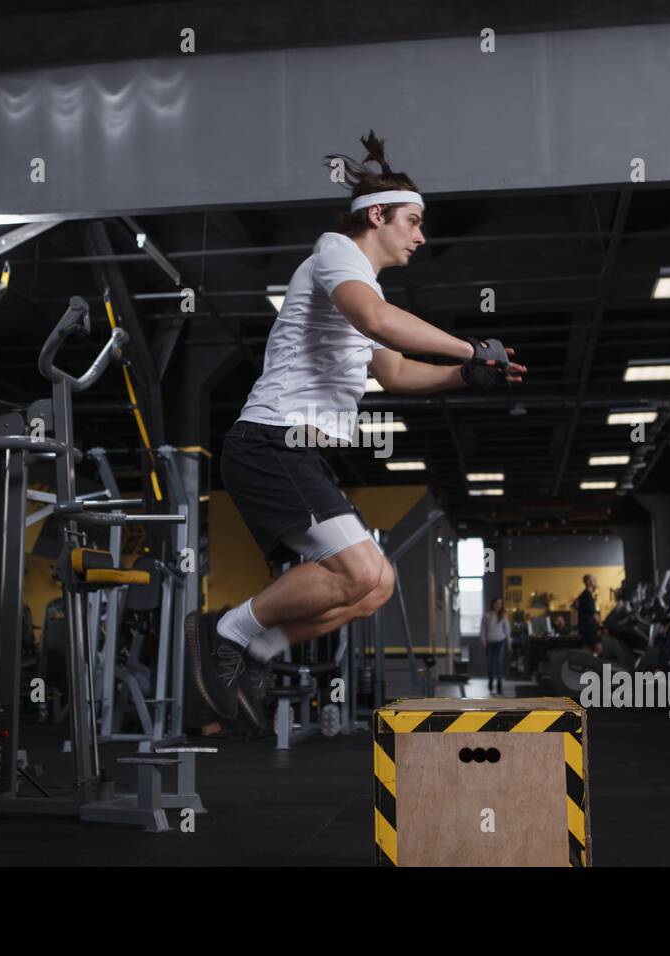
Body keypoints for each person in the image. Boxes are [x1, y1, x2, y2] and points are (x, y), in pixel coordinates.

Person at [191, 131, 526, 728]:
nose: (421, 236)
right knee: (363, 570)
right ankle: (225, 632)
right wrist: (472, 348)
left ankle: (256, 651)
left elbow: (394, 370)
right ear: (377, 216)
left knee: (377, 585)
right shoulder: (336, 255)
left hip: (298, 451)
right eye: (413, 221)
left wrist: (463, 377)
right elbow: (380, 321)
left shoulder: (357, 286)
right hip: (270, 440)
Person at [481, 597, 510, 695]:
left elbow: (507, 630)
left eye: (500, 603)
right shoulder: (487, 614)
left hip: (500, 642)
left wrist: (509, 643)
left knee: (499, 663)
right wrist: (483, 640)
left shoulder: (503, 615)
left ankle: (499, 685)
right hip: (490, 642)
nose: (498, 605)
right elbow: (483, 629)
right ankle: (490, 680)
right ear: (493, 604)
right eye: (497, 603)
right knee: (490, 664)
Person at [575, 574, 602, 655]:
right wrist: (602, 625)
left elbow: (576, 606)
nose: (596, 583)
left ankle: (589, 666)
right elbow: (593, 614)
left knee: (587, 652)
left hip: (584, 629)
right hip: (589, 629)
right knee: (601, 651)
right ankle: (605, 668)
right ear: (588, 582)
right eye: (594, 580)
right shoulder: (587, 596)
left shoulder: (583, 595)